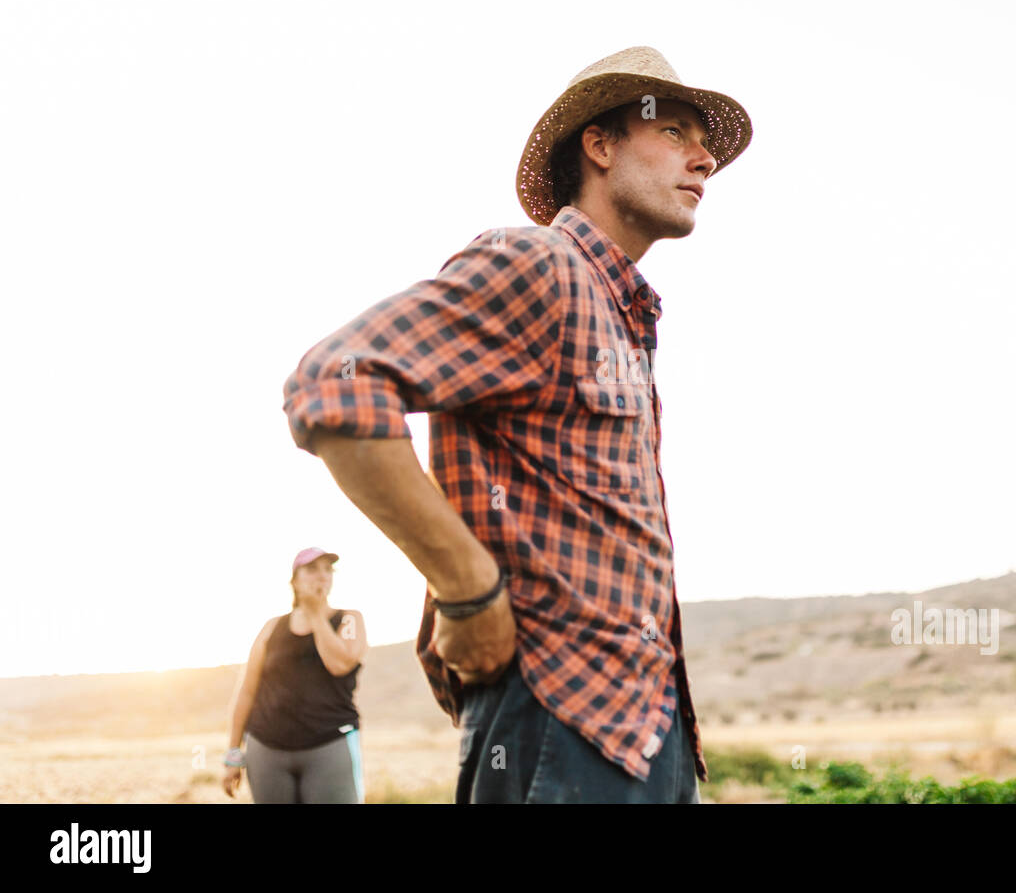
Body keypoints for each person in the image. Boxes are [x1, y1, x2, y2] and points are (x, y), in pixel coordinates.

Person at [281, 46, 751, 802]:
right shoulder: (540, 263)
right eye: (678, 132)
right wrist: (467, 592)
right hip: (563, 722)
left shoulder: (624, 314)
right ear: (599, 144)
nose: (705, 159)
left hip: (647, 725)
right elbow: (333, 384)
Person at [221, 547, 369, 803]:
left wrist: (315, 614)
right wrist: (233, 753)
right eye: (311, 569)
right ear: (294, 581)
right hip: (267, 748)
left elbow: (340, 664)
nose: (321, 576)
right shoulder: (271, 627)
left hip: (329, 743)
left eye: (327, 569)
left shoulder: (349, 620)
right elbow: (247, 692)